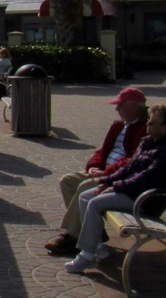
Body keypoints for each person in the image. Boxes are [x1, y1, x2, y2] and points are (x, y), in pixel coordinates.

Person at [65, 104, 166, 273]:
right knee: (85, 196)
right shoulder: (149, 142)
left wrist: (115, 186)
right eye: (149, 120)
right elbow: (128, 168)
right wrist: (106, 181)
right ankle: (97, 246)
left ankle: (87, 255)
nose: (147, 124)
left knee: (94, 203)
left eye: (152, 123)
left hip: (146, 200)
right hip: (133, 192)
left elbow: (145, 180)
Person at [44, 86, 149, 255]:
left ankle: (74, 235)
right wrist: (94, 166)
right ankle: (91, 230)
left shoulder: (144, 130)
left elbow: (132, 160)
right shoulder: (118, 126)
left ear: (134, 108)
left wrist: (106, 173)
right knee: (68, 181)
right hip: (105, 171)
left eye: (120, 105)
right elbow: (102, 150)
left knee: (85, 188)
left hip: (117, 177)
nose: (116, 109)